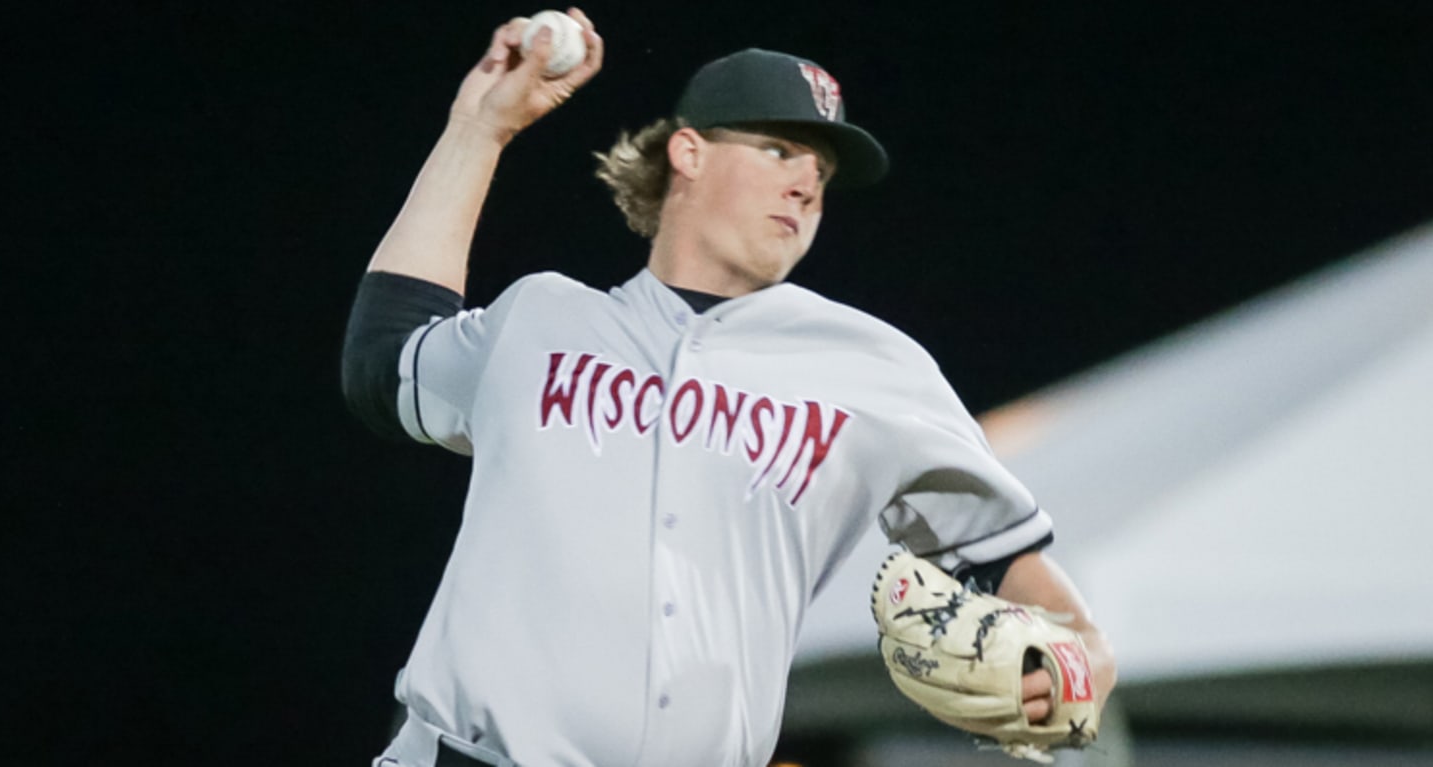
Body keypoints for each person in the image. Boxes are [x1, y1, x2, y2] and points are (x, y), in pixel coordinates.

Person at [341, 9, 1115, 767]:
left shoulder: (874, 369)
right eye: (780, 149)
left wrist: (1075, 672)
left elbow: (1040, 595)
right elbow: (384, 360)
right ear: (689, 152)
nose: (807, 184)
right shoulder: (542, 318)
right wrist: (479, 130)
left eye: (822, 171)